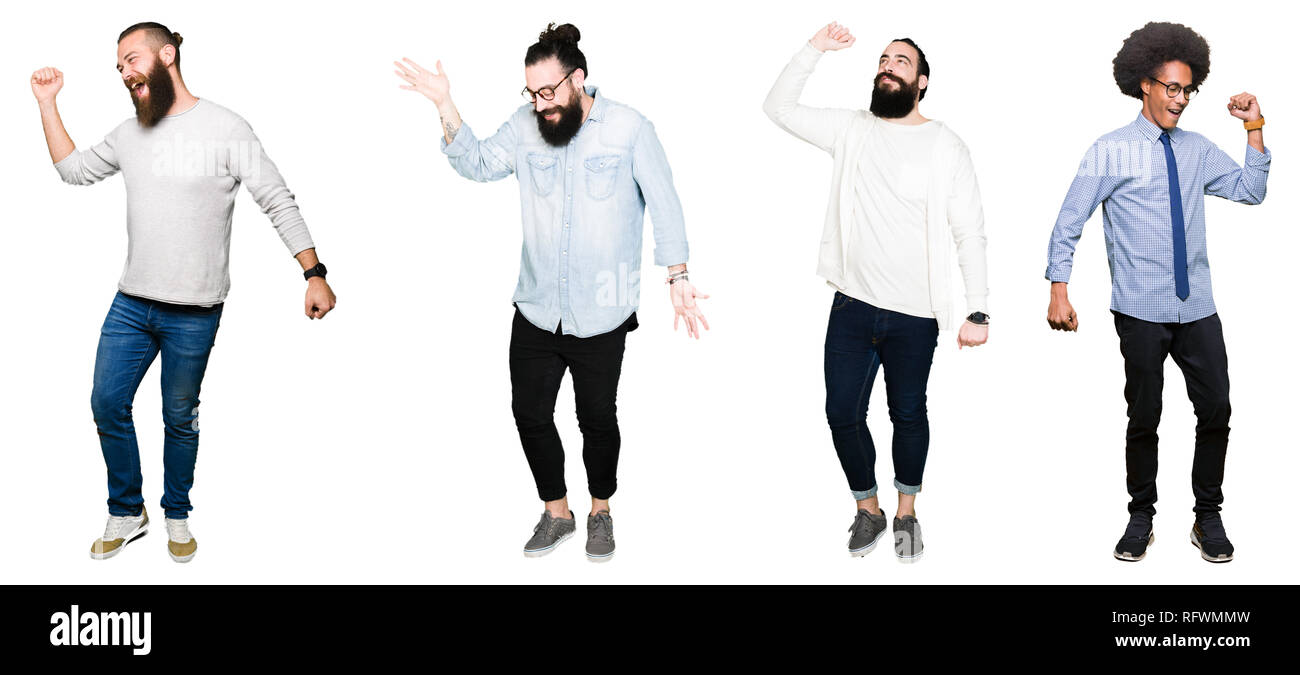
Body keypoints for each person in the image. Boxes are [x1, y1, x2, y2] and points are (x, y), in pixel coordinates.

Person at [395, 23, 707, 562]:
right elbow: (478, 163)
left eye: (548, 91)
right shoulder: (524, 126)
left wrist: (677, 277)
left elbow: (665, 203)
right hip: (537, 308)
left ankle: (600, 511)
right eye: (531, 93)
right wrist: (445, 104)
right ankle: (556, 512)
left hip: (601, 314)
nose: (540, 105)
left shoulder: (629, 128)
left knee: (597, 418)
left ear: (577, 79)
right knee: (530, 414)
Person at [32, 22, 337, 563]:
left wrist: (313, 272)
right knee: (107, 401)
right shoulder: (129, 134)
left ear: (166, 55)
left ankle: (176, 512)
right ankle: (128, 511)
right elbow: (73, 171)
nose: (124, 73)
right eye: (119, 68)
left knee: (180, 415)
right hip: (131, 304)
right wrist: (48, 103)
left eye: (131, 60)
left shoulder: (227, 128)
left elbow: (277, 198)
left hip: (194, 312)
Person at [764, 22, 990, 561]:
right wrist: (814, 49)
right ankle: (868, 508)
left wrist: (978, 308)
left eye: (902, 62)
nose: (888, 66)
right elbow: (778, 107)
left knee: (908, 413)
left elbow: (970, 231)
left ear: (923, 82)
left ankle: (907, 512)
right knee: (842, 412)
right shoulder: (851, 128)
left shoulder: (946, 145)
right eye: (884, 60)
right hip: (852, 305)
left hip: (915, 315)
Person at [1045, 22, 1268, 564]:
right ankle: (1141, 515)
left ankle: (1207, 515)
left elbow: (1251, 190)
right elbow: (1069, 220)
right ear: (1144, 84)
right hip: (1140, 310)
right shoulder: (1109, 151)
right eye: (1172, 87)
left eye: (1188, 90)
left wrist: (1255, 127)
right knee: (1144, 417)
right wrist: (1059, 289)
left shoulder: (1196, 150)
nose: (1181, 99)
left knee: (1216, 409)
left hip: (1198, 310)